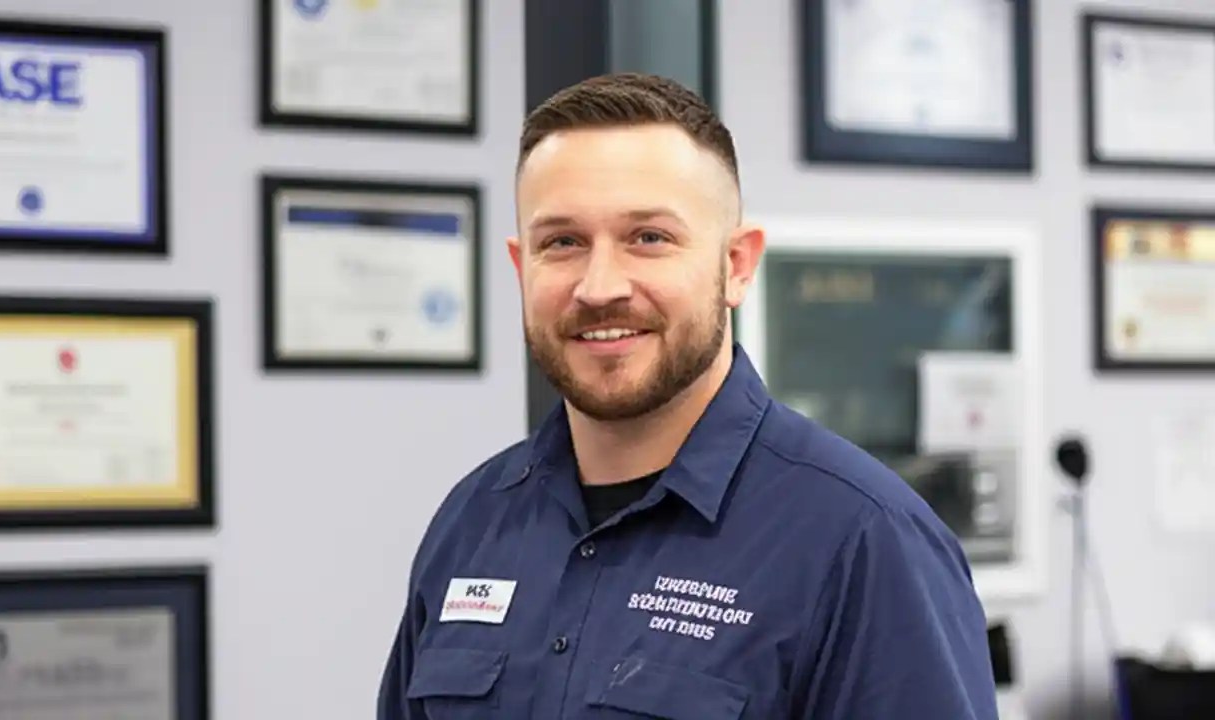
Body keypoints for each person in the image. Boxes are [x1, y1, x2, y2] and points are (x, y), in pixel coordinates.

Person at [377, 72, 999, 719]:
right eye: (562, 242)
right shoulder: (474, 520)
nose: (599, 286)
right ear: (520, 267)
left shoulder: (865, 542)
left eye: (648, 237)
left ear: (736, 264)